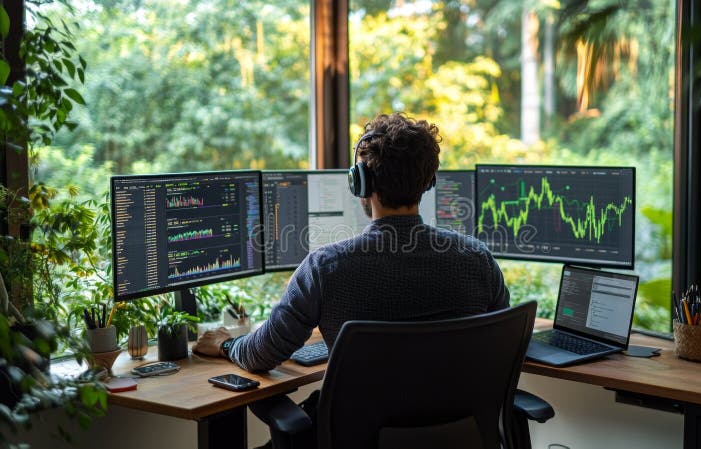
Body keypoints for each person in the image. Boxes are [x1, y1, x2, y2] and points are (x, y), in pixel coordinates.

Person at [192, 112, 510, 448]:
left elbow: (261, 355)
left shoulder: (326, 268)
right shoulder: (477, 260)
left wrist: (226, 344)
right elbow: (499, 339)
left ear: (361, 183)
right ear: (428, 181)